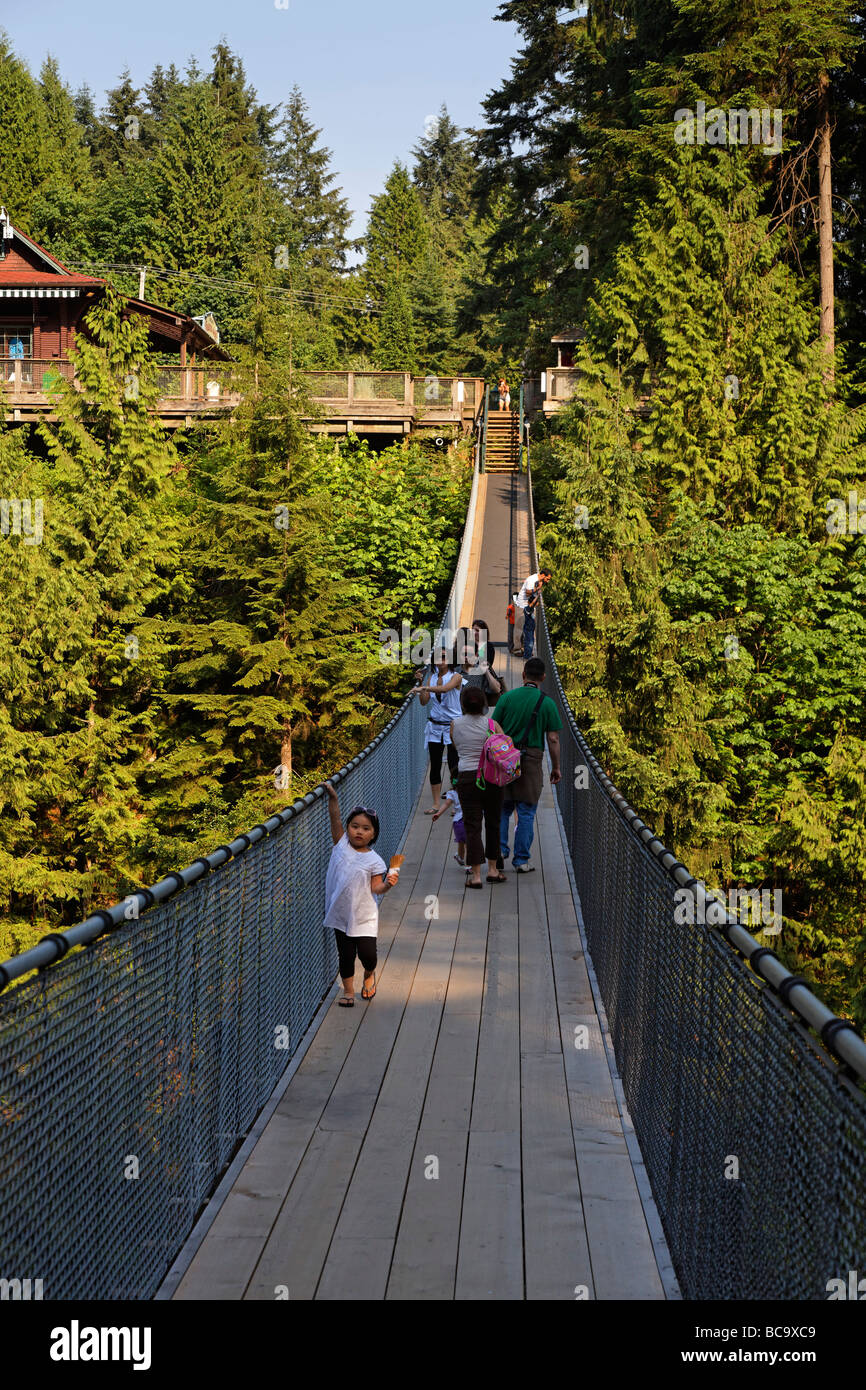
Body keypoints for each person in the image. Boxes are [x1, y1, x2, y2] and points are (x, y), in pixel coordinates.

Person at [324, 782, 400, 1006]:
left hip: (364, 915)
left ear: (373, 834)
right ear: (348, 828)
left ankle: (369, 973)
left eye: (365, 828)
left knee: (368, 955)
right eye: (355, 826)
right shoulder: (341, 845)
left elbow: (376, 887)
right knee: (345, 956)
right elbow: (334, 819)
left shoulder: (374, 860)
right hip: (341, 913)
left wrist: (387, 886)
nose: (359, 831)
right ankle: (348, 992)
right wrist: (334, 799)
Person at [493, 657, 562, 873]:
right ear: (543, 677)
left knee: (503, 808)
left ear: (523, 675)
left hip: (506, 759)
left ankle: (501, 851)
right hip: (531, 761)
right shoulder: (547, 703)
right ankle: (521, 860)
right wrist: (556, 767)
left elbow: (493, 727)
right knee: (525, 811)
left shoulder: (507, 698)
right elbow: (552, 739)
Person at [447, 684, 508, 887]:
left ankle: (476, 876)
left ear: (462, 703)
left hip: (467, 778)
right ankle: (492, 870)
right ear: (483, 703)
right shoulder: (492, 724)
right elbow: (507, 748)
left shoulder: (454, 724)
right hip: (491, 779)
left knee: (472, 826)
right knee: (493, 823)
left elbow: (456, 746)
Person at [413, 651, 465, 813]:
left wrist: (424, 686)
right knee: (435, 765)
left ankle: (457, 803)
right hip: (435, 728)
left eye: (443, 657)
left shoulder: (456, 677)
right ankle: (436, 804)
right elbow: (424, 701)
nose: (439, 661)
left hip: (453, 727)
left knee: (453, 764)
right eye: (437, 658)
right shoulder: (432, 678)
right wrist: (421, 684)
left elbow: (444, 689)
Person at [456, 618, 505, 709]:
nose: (474, 632)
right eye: (473, 629)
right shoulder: (468, 644)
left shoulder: (488, 646)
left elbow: (486, 663)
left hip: (481, 678)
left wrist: (479, 646)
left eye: (477, 630)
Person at [513, 568, 551, 658]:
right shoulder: (532, 580)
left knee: (526, 628)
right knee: (519, 629)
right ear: (542, 575)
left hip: (529, 606)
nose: (548, 581)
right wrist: (537, 589)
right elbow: (527, 593)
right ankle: (517, 649)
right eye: (547, 578)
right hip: (522, 605)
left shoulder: (538, 580)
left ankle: (525, 649)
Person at [435, 786, 466, 866]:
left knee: (461, 842)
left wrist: (438, 814)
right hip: (468, 819)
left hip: (458, 822)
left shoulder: (453, 792)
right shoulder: (472, 789)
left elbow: (446, 804)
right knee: (468, 844)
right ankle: (469, 865)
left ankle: (460, 857)